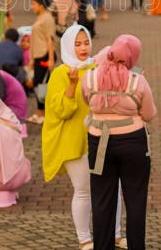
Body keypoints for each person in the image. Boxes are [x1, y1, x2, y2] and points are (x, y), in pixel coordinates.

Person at [43, 25, 125, 250]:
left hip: (100, 136)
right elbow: (61, 111)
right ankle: (84, 239)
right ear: (68, 46)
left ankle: (116, 234)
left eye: (86, 42)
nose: (82, 48)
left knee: (112, 186)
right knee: (83, 189)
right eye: (77, 44)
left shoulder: (96, 67)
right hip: (72, 141)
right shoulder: (60, 74)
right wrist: (71, 85)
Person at [83, 35, 157, 250]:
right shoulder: (137, 80)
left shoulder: (90, 78)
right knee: (135, 199)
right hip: (133, 143)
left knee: (101, 198)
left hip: (98, 141)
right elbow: (149, 114)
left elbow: (87, 101)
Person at [28, 0, 55, 125]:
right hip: (38, 55)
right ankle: (39, 112)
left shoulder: (47, 18)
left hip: (44, 54)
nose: (31, 7)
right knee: (38, 84)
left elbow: (50, 39)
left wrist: (51, 59)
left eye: (33, 4)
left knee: (42, 86)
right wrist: (32, 59)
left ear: (40, 5)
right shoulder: (40, 17)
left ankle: (43, 113)